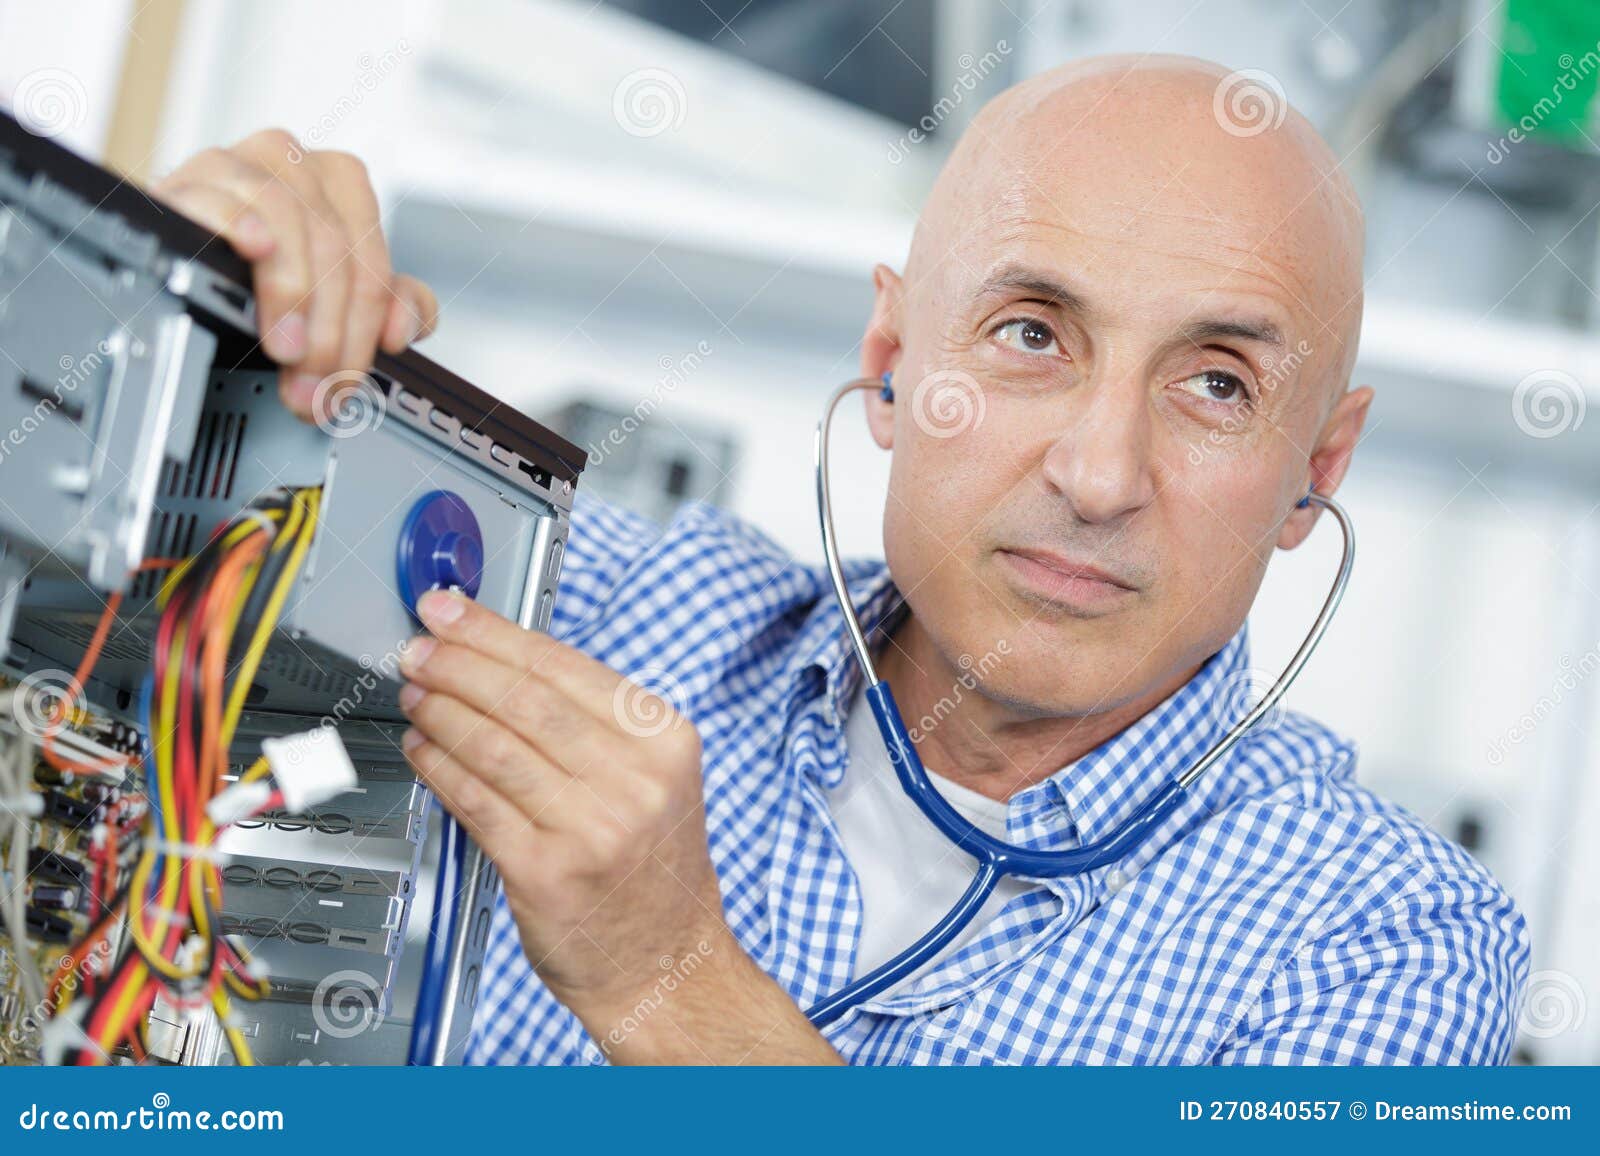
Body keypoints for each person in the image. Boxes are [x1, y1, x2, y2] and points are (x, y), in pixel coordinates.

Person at [153, 54, 1527, 1064]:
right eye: (1033, 334)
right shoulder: (584, 602)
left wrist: (671, 978)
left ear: (1317, 471)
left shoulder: (1384, 942)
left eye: (1218, 384)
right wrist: (176, 319)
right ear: (889, 363)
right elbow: (119, 667)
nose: (1100, 476)